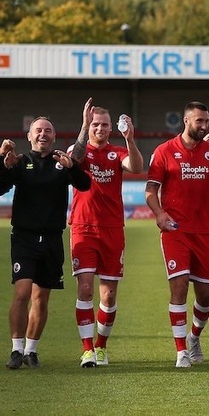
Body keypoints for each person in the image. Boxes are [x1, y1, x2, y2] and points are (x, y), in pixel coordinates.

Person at [146, 101, 209, 368]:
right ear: (186, 121)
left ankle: (194, 337)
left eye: (206, 122)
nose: (203, 126)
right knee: (178, 288)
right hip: (174, 230)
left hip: (205, 233)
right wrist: (159, 214)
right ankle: (181, 353)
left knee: (204, 296)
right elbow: (151, 190)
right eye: (199, 121)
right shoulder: (164, 151)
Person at [2, 117, 91, 369]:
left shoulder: (61, 163)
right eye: (38, 130)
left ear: (54, 137)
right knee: (22, 293)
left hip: (52, 238)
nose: (43, 134)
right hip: (24, 237)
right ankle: (16, 349)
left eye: (48, 131)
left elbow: (84, 185)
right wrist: (4, 166)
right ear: (29, 136)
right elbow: (0, 187)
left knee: (41, 298)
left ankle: (31, 351)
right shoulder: (20, 163)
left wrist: (72, 166)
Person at [67, 100, 143, 367]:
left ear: (112, 127)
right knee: (85, 288)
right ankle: (87, 349)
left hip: (112, 229)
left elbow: (136, 167)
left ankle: (101, 346)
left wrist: (130, 139)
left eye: (104, 124)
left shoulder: (117, 151)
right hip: (83, 227)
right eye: (96, 124)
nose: (100, 128)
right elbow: (73, 162)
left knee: (108, 295)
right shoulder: (78, 149)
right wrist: (83, 126)